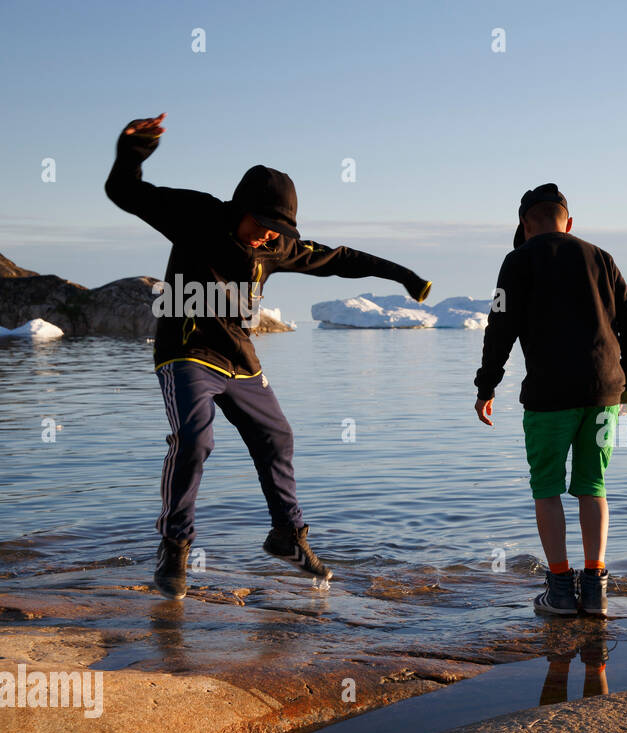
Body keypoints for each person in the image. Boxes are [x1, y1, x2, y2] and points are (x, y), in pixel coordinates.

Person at [106, 113, 432, 600]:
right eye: (261, 225)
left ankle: (287, 536)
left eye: (276, 230)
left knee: (277, 436)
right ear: (240, 208)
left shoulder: (277, 245)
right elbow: (125, 192)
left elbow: (341, 258)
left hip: (238, 356)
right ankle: (174, 547)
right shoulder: (194, 214)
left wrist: (404, 275)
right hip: (186, 350)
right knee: (195, 441)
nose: (265, 237)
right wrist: (134, 150)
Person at [474, 184, 627, 617]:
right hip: (605, 391)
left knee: (547, 488)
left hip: (549, 396)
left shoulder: (516, 262)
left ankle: (561, 591)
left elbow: (499, 326)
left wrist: (486, 386)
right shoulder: (602, 258)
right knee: (594, 486)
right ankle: (596, 588)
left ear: (525, 226)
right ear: (568, 222)